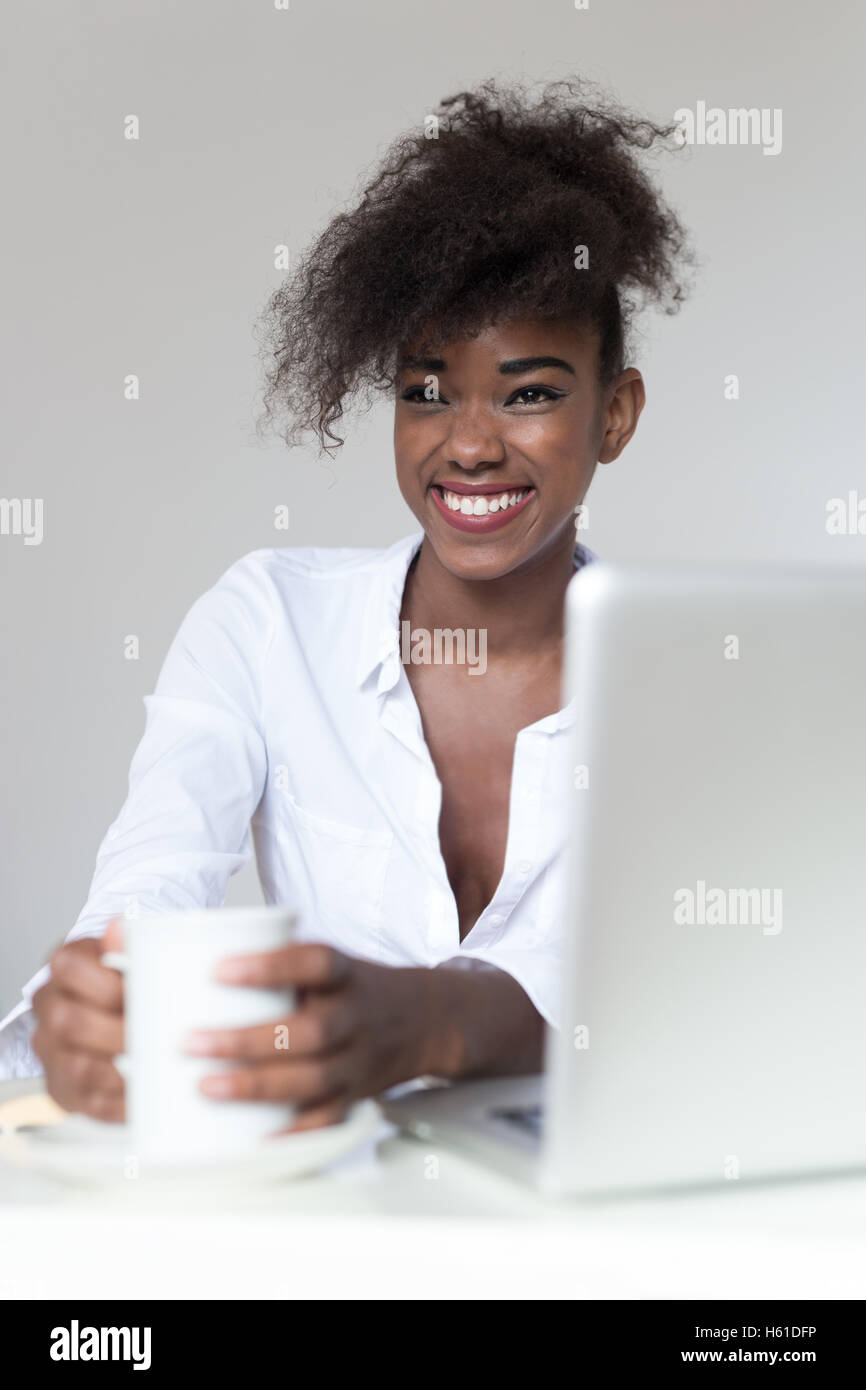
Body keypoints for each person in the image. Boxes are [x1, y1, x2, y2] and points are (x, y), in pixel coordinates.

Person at [0, 77, 692, 1128]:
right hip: (333, 1217)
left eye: (530, 391)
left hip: (596, 1219)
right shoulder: (268, 623)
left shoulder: (691, 679)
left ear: (615, 413)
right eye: (425, 391)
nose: (466, 443)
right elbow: (149, 886)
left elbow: (676, 996)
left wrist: (429, 1018)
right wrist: (92, 1003)